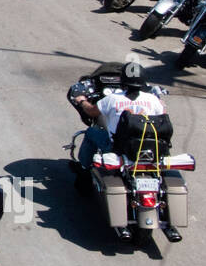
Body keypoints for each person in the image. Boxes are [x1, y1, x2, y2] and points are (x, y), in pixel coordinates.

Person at [71, 62, 170, 240]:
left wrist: (82, 100)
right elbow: (163, 112)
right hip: (151, 151)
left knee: (92, 132)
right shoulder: (153, 100)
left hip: (119, 149)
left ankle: (84, 169)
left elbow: (92, 112)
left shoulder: (112, 99)